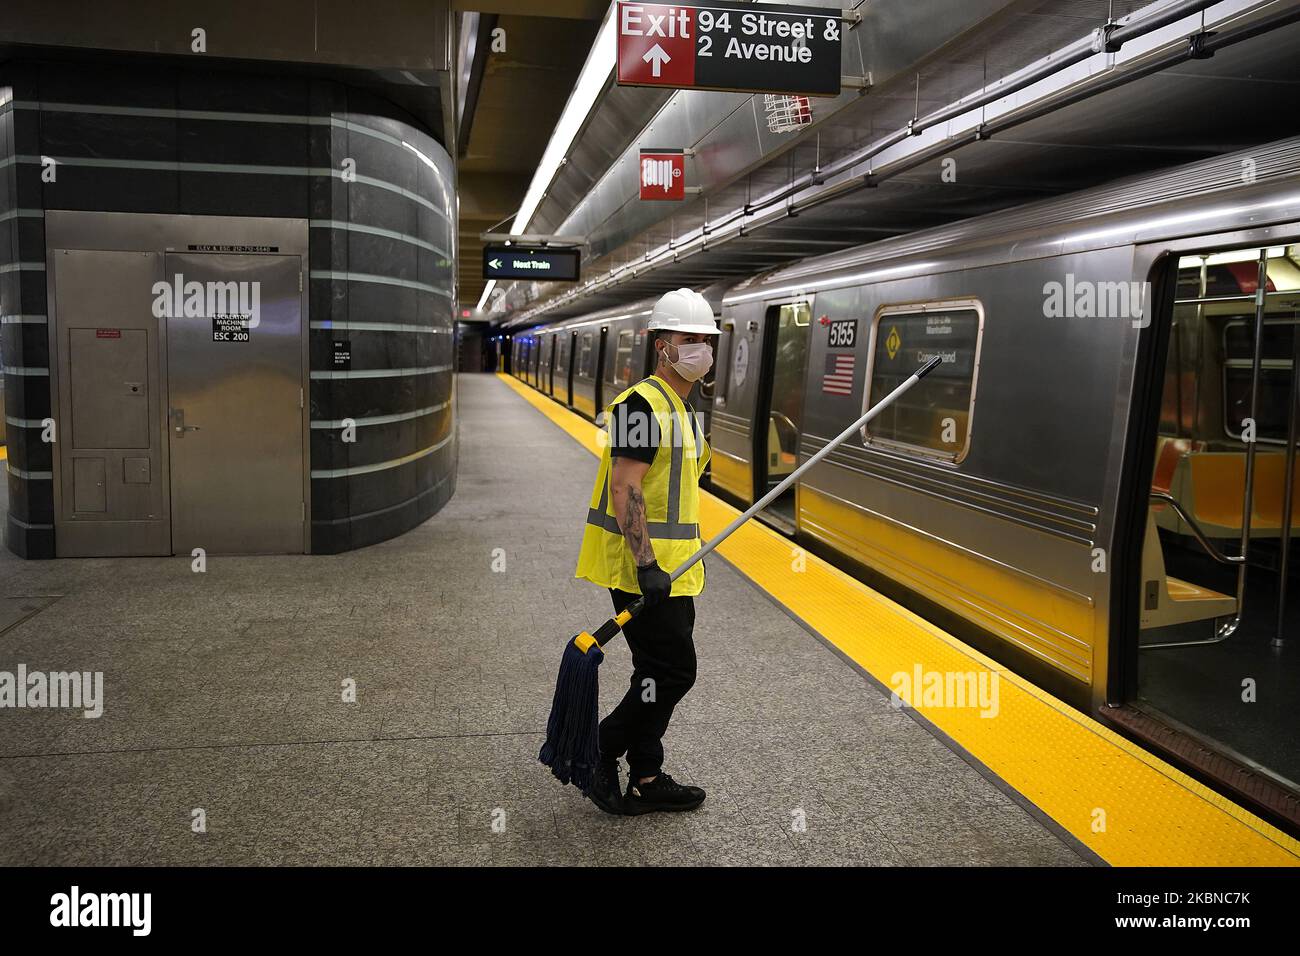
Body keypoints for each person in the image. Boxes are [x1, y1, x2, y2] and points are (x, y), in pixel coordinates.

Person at [573, 288, 719, 815]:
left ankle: (647, 775)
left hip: (676, 569)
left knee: (656, 674)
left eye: (707, 340)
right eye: (689, 339)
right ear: (663, 345)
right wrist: (647, 565)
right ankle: (599, 749)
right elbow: (625, 488)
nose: (700, 348)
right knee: (674, 672)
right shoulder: (640, 405)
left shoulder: (682, 406)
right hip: (645, 569)